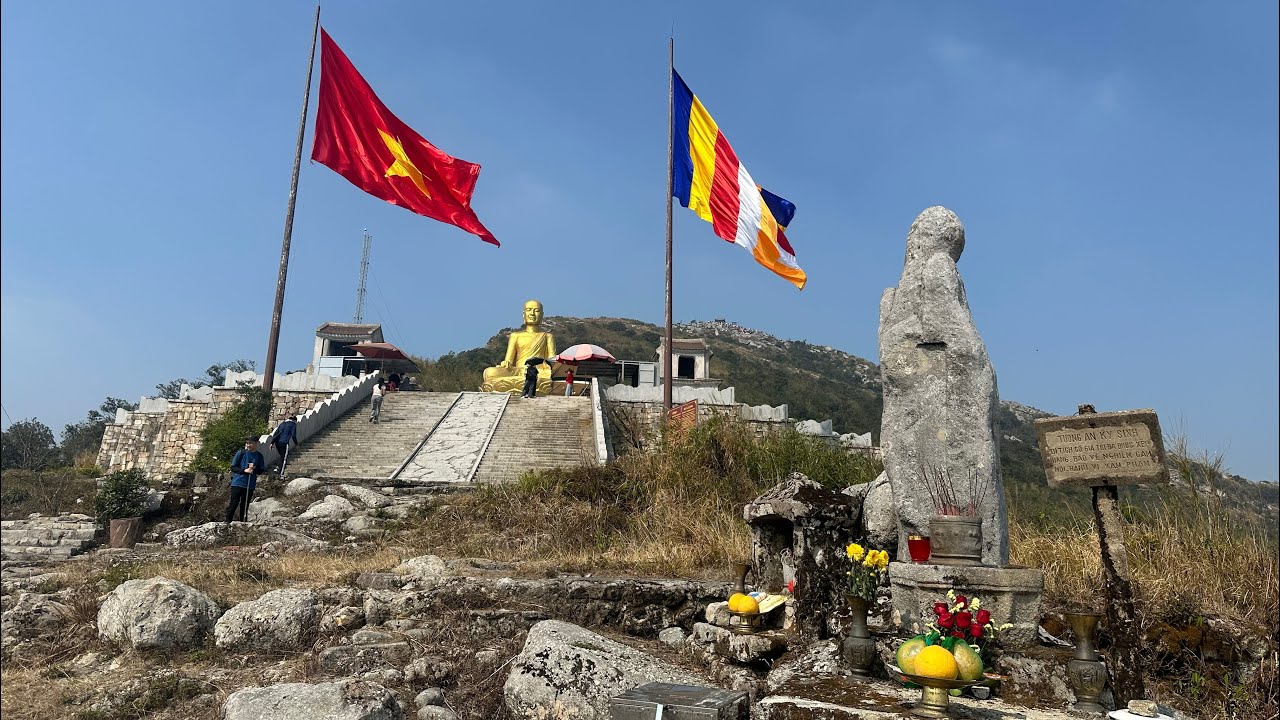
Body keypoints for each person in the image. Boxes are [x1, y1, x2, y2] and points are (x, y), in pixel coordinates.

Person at [226, 435, 264, 523]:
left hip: (249, 484)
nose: (248, 445)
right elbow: (233, 467)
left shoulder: (259, 456)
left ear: (256, 443)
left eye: (250, 443)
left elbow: (261, 470)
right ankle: (227, 522)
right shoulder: (241, 453)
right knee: (234, 503)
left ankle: (243, 523)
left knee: (245, 505)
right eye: (247, 443)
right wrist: (244, 470)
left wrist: (254, 469)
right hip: (238, 482)